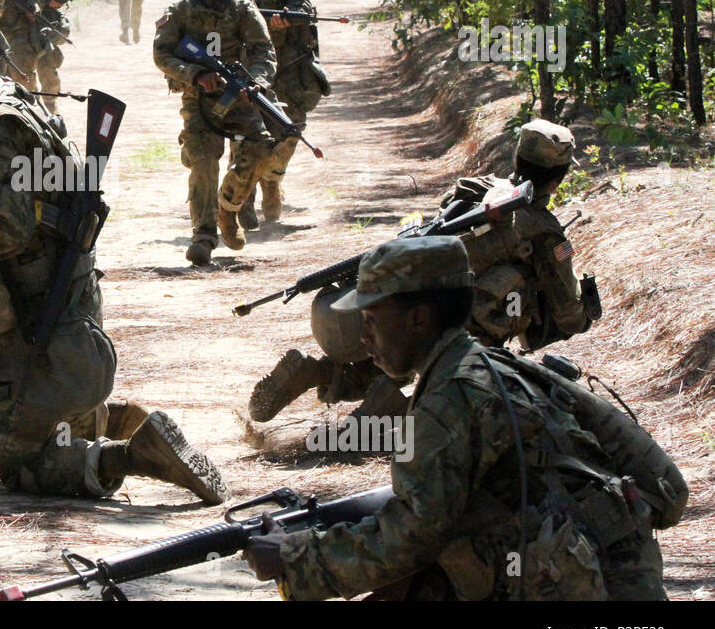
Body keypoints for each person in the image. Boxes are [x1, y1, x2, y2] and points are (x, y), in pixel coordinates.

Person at [0, 12, 229, 504]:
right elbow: (29, 199)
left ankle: (134, 453)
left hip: (47, 313)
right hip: (33, 304)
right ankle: (102, 415)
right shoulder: (2, 101)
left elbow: (6, 231)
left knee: (15, 456)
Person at [244, 235, 686, 600]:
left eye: (373, 319)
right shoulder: (501, 366)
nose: (363, 337)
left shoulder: (446, 401)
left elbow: (406, 542)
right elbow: (668, 483)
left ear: (418, 319)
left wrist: (293, 555)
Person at [249, 120, 602, 423]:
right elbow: (567, 312)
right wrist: (586, 313)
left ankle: (316, 371)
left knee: (389, 353)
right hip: (458, 325)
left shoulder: (480, 187)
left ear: (517, 158)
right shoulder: (543, 229)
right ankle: (382, 410)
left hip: (414, 300)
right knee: (460, 381)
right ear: (558, 179)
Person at [152, 0, 290, 266]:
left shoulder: (242, 6)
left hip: (240, 95)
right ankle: (203, 235)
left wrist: (257, 82)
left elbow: (263, 51)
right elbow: (162, 54)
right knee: (203, 162)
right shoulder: (179, 11)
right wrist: (196, 74)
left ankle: (229, 207)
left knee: (260, 149)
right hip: (198, 99)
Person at [216, 0, 324, 224]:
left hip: (285, 55)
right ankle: (241, 195)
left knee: (292, 124)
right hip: (240, 58)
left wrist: (286, 18)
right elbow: (197, 0)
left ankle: (272, 180)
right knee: (243, 127)